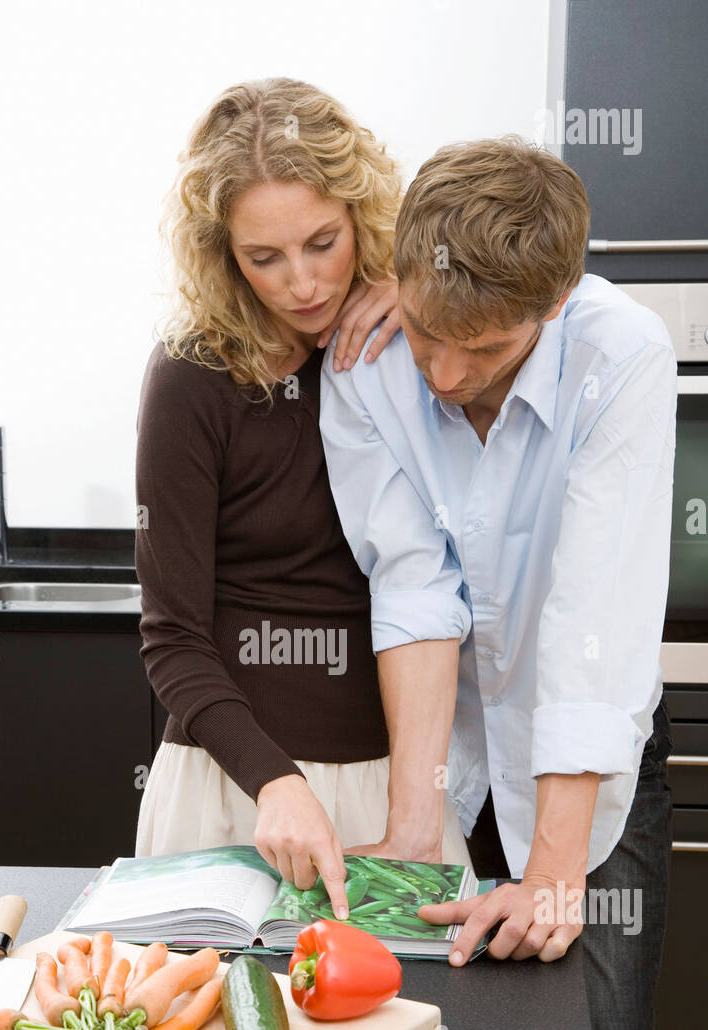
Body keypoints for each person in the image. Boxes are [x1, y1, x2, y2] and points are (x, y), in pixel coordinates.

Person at [319, 135, 676, 1030]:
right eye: (428, 332)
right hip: (454, 738)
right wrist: (414, 819)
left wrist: (556, 873)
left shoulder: (622, 353)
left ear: (555, 301)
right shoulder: (370, 354)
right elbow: (413, 584)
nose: (442, 373)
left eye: (482, 348)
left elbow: (590, 619)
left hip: (590, 752)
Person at [132, 77, 475, 917]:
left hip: (394, 785)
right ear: (224, 256)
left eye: (324, 243)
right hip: (237, 789)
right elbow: (171, 638)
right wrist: (273, 782)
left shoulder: (414, 344)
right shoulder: (192, 378)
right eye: (264, 258)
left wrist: (426, 299)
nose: (303, 284)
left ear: (362, 210)